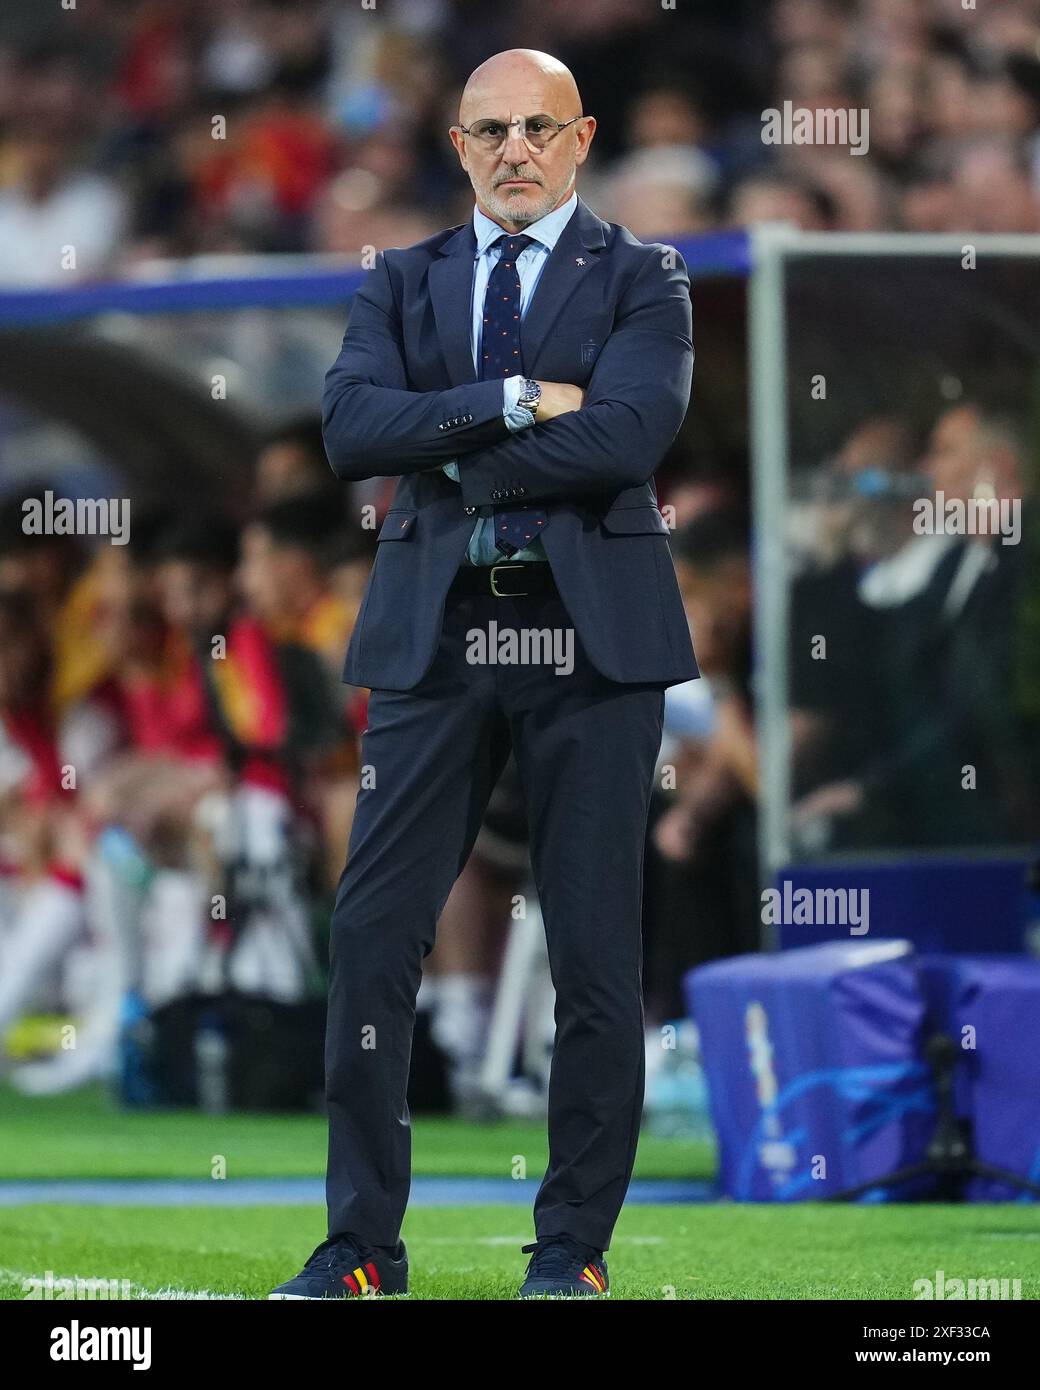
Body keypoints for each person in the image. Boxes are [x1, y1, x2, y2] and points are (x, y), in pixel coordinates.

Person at [269, 47, 696, 1301]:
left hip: (590, 646)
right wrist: (515, 399)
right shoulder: (398, 277)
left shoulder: (646, 276)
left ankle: (569, 1249)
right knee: (369, 940)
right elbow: (348, 432)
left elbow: (627, 433)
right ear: (455, 146)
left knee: (595, 959)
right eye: (488, 128)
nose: (513, 148)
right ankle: (360, 1246)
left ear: (580, 139)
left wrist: (443, 439)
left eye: (537, 127)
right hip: (434, 639)